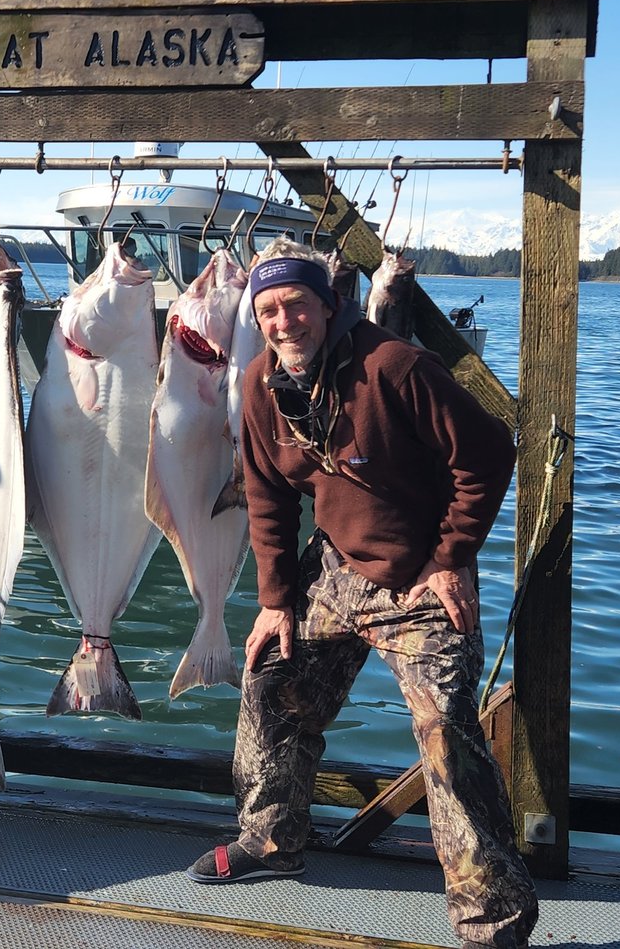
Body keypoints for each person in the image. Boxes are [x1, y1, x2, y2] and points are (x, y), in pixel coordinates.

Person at [186, 240, 537, 949]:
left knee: (447, 734)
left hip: (421, 581)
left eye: (296, 305)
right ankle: (273, 836)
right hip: (338, 569)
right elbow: (267, 496)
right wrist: (278, 596)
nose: (284, 321)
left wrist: (452, 555)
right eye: (269, 310)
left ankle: (491, 922)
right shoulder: (260, 384)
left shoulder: (397, 366)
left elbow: (490, 452)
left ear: (328, 303)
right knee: (267, 673)